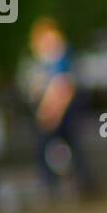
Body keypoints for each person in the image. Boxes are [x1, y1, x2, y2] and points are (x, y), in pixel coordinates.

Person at [23, 18, 95, 197]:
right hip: (62, 109)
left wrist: (49, 113)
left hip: (62, 110)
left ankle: (53, 183)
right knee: (69, 146)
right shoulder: (58, 56)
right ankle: (80, 182)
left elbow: (61, 87)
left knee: (48, 145)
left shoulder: (57, 58)